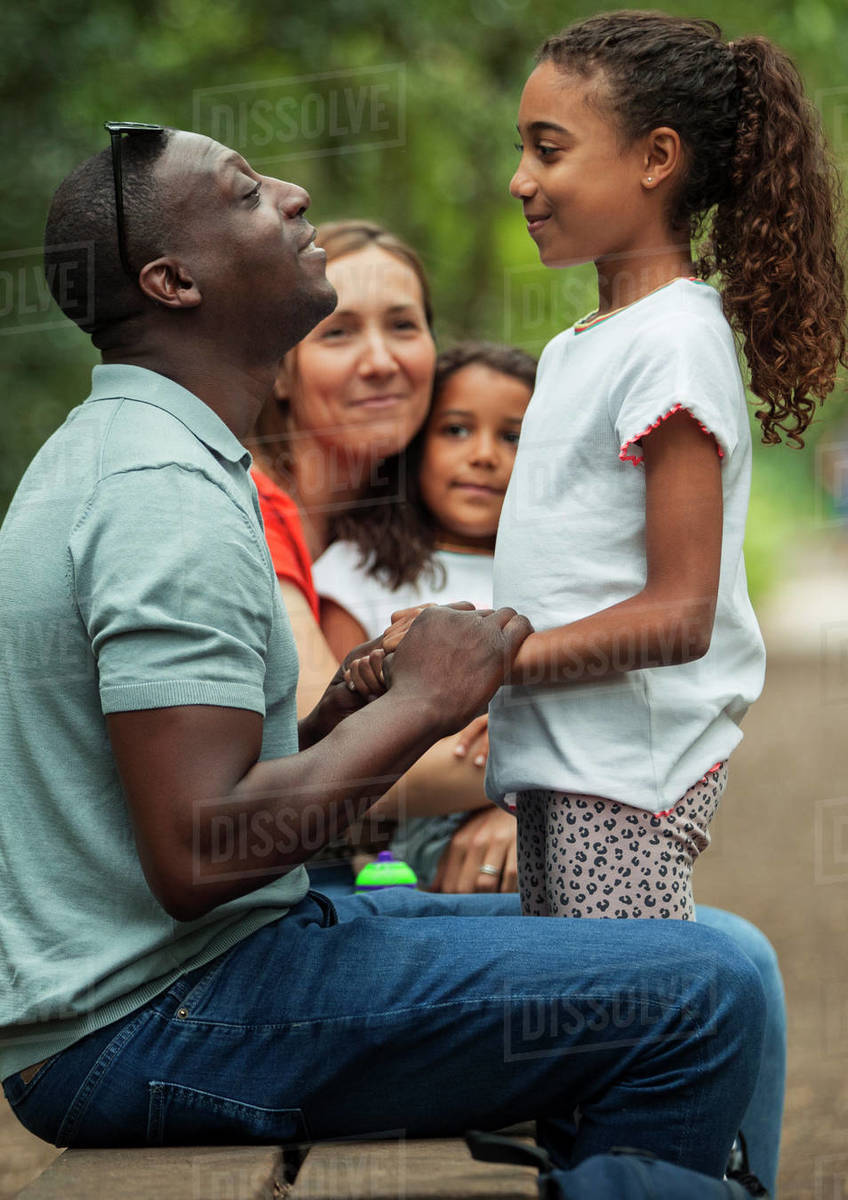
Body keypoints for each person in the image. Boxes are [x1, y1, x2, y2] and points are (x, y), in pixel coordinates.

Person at [0, 125, 777, 1187]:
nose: (290, 190)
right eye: (242, 194)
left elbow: (206, 791)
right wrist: (420, 702)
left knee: (725, 957)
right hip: (152, 1017)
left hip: (198, 967)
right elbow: (197, 857)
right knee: (701, 994)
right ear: (173, 280)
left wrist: (346, 706)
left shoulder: (153, 453)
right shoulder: (159, 498)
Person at [379, 12, 847, 926]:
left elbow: (679, 615)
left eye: (549, 151)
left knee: (612, 1032)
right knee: (574, 1033)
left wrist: (487, 665)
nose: (521, 180)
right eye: (523, 150)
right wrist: (461, 633)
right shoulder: (579, 348)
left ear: (655, 157)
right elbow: (581, 572)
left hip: (626, 780)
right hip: (565, 765)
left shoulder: (673, 341)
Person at [249, 223, 523, 894]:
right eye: (338, 333)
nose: (380, 360)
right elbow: (334, 768)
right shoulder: (247, 505)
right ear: (281, 368)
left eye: (402, 327)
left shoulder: (394, 529)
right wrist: (531, 798)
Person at [313, 341, 535, 891]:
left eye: (513, 437)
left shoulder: (549, 581)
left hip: (529, 823)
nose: (484, 454)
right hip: (384, 839)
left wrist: (511, 810)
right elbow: (329, 722)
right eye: (456, 430)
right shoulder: (357, 572)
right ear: (415, 445)